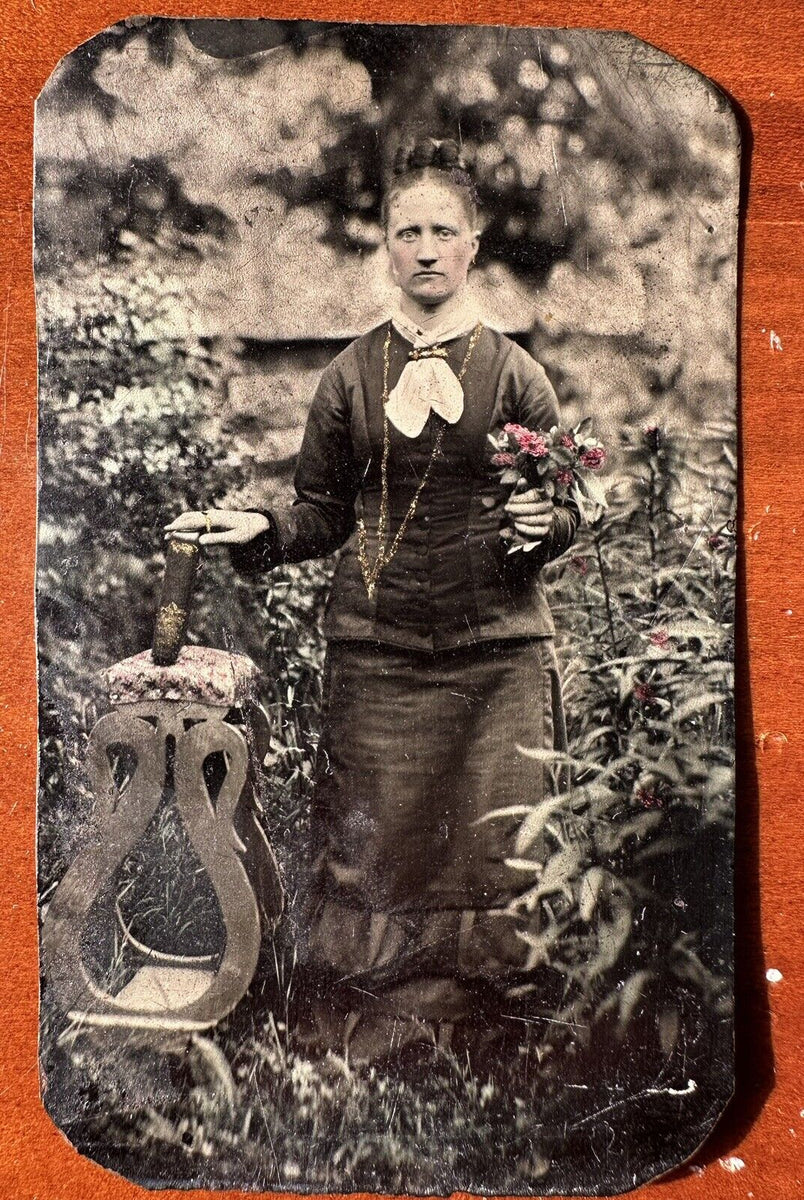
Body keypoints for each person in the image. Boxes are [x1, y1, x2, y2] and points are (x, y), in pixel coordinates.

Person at [164, 137, 580, 1066]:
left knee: (497, 841)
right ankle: (371, 1032)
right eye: (407, 233)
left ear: (473, 245)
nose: (426, 248)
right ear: (386, 250)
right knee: (377, 847)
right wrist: (260, 530)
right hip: (380, 654)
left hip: (496, 654)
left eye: (444, 231)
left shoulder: (518, 375)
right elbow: (320, 510)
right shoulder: (349, 377)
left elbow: (560, 512)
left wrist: (539, 520)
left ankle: (493, 1039)